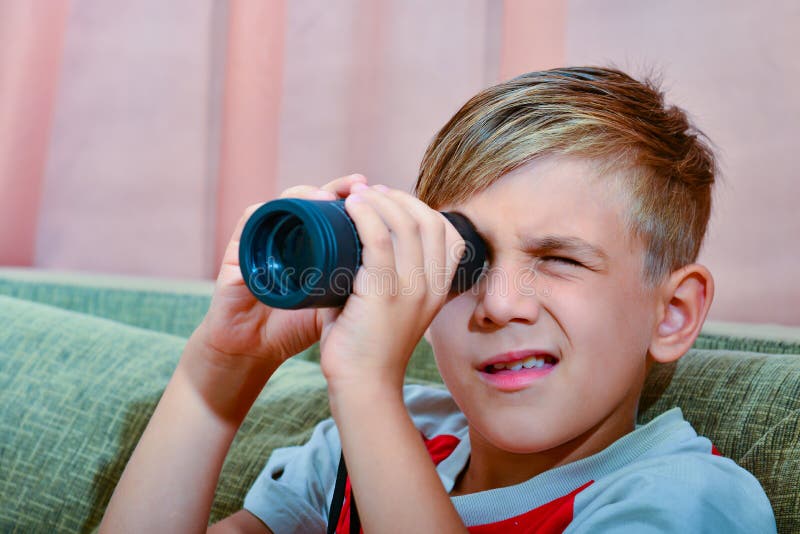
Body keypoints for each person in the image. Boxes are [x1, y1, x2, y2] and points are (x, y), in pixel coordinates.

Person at [100, 67, 776, 532]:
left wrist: (367, 387)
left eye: (560, 259)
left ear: (673, 313)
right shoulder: (357, 453)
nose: (500, 305)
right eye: (463, 262)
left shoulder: (686, 502)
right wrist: (217, 374)